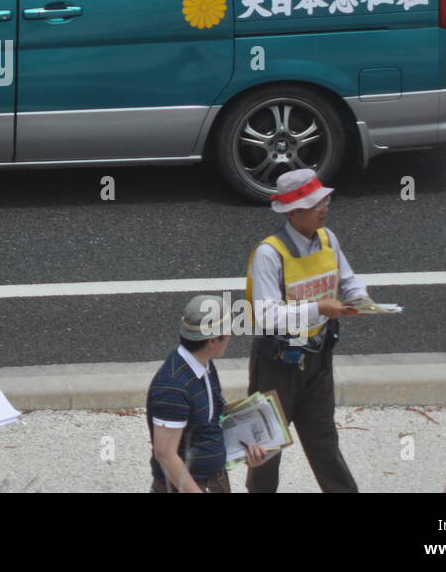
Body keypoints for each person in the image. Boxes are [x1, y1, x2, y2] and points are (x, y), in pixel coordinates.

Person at [244, 168, 375, 492]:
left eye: (325, 199)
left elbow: (346, 278)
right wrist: (319, 308)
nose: (325, 207)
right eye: (317, 203)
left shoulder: (329, 239)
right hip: (278, 363)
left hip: (318, 358)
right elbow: (267, 315)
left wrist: (358, 297)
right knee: (268, 445)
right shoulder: (269, 254)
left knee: (324, 440)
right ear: (294, 212)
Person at [147, 294, 267, 493]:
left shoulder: (204, 365)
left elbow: (211, 421)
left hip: (213, 482)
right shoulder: (172, 387)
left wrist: (247, 451)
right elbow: (165, 454)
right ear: (213, 340)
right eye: (228, 329)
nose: (231, 334)